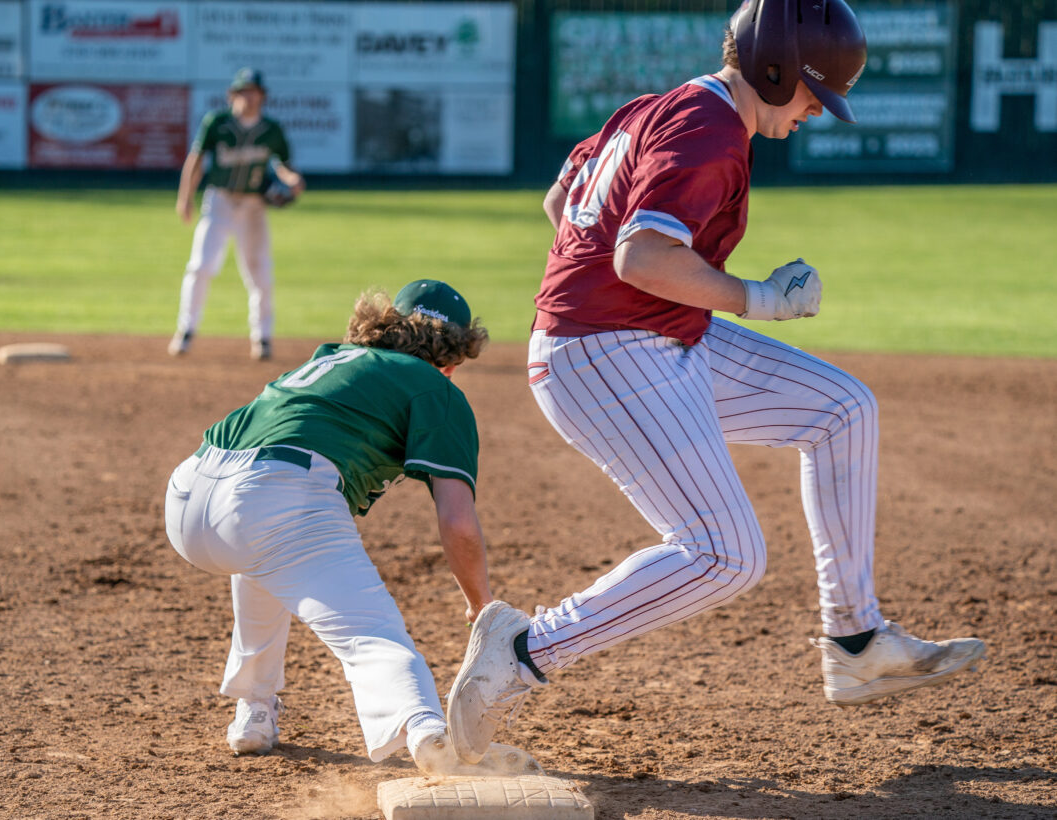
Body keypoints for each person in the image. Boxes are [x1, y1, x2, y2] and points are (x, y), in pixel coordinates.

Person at [446, 0, 985, 765]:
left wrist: (597, 272)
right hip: (601, 351)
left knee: (842, 409)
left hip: (642, 333)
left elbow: (562, 199)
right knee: (725, 553)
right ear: (774, 69)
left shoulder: (656, 107)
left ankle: (857, 639)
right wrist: (762, 298)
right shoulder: (711, 131)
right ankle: (525, 649)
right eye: (811, 93)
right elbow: (640, 260)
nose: (813, 112)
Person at [163, 280, 541, 775]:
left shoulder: (329, 360)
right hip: (273, 495)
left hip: (189, 492)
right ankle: (426, 732)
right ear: (451, 357)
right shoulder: (436, 390)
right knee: (371, 632)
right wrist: (479, 602)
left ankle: (254, 710)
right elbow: (458, 521)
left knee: (263, 556)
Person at [169, 67, 306, 361]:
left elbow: (284, 164)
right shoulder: (217, 123)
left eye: (253, 91)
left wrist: (292, 179)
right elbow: (196, 160)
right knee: (201, 265)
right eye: (243, 91)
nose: (248, 97)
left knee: (259, 271)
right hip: (219, 200)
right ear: (232, 95)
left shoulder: (272, 130)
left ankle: (263, 338)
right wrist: (185, 197)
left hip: (253, 206)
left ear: (262, 96)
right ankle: (186, 331)